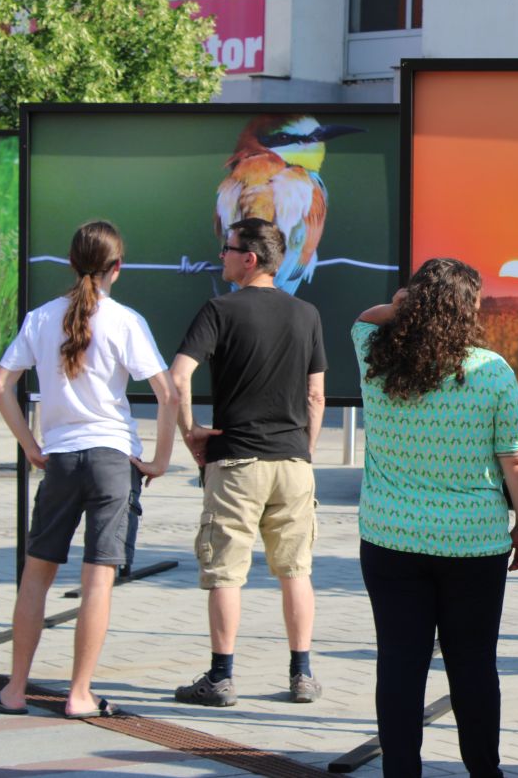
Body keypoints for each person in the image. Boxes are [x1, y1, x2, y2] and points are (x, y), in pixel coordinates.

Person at [0, 220, 177, 718]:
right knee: (97, 582)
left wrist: (30, 445)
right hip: (113, 460)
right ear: (118, 268)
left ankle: (15, 690)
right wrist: (159, 459)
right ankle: (79, 694)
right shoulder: (125, 321)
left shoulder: (41, 318)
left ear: (70, 263)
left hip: (61, 460)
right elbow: (167, 392)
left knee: (36, 577)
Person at [353, 258, 518, 777]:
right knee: (473, 665)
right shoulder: (492, 369)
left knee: (399, 662)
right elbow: (517, 461)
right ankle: (484, 771)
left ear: (415, 301)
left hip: (390, 540)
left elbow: (370, 315)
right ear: (469, 311)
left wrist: (408, 302)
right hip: (473, 546)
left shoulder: (374, 353)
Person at [170, 218, 327, 706]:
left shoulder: (219, 309)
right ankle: (302, 675)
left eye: (227, 248)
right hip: (292, 463)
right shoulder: (307, 314)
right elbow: (316, 396)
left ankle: (220, 678)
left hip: (236, 462)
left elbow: (178, 378)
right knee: (296, 571)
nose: (221, 256)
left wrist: (190, 431)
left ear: (250, 258)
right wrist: (304, 449)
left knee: (225, 572)